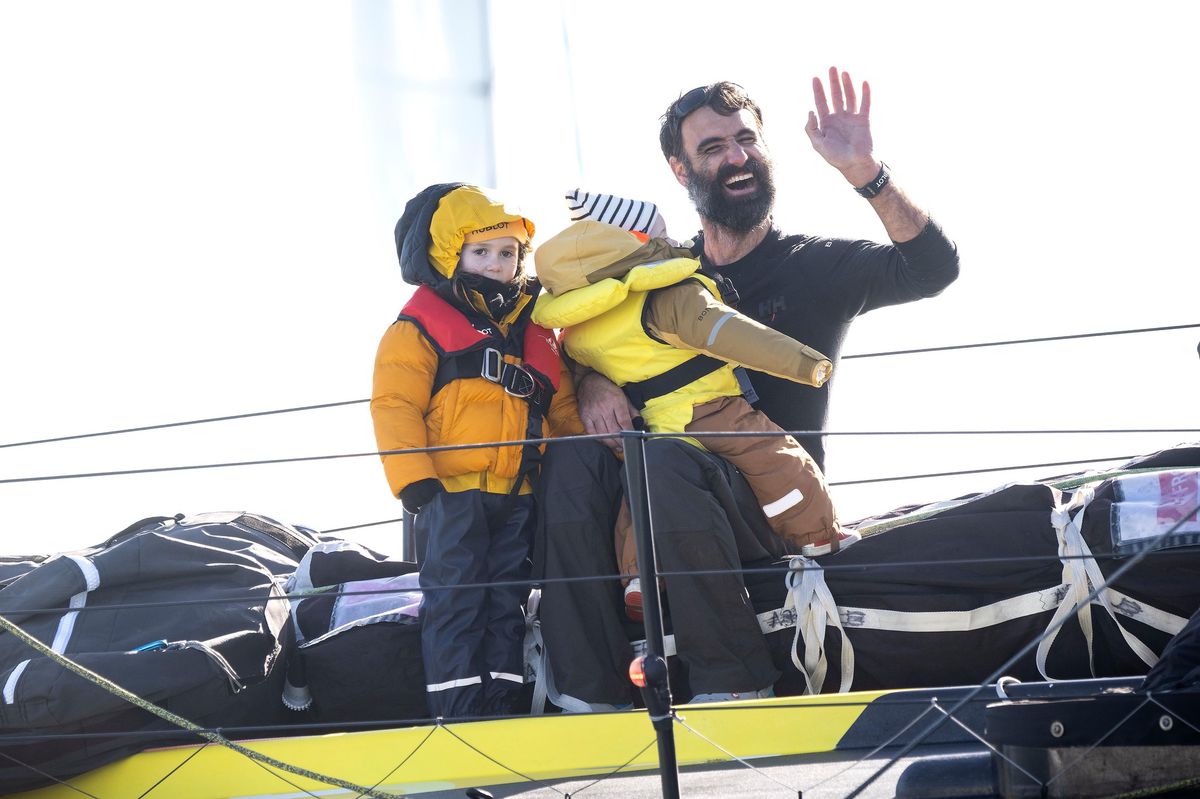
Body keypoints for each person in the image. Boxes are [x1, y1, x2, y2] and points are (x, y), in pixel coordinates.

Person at [536, 70, 960, 707]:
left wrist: (865, 172)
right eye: (712, 147)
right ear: (680, 171)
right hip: (656, 505)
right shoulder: (657, 275)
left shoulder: (814, 265)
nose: (736, 157)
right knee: (571, 463)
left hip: (768, 505)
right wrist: (593, 380)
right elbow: (585, 337)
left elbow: (932, 268)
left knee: (669, 461)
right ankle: (583, 692)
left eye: (746, 140)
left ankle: (734, 686)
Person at [532, 212, 854, 622]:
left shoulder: (578, 332)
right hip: (711, 410)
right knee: (779, 456)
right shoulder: (667, 298)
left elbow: (581, 370)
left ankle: (640, 579)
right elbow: (731, 333)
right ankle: (818, 535)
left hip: (652, 429)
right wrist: (806, 364)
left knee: (642, 499)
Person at [371, 183, 583, 719]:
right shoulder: (417, 326)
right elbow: (394, 404)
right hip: (450, 495)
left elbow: (561, 411)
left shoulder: (535, 329)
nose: (496, 264)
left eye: (508, 253)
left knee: (506, 604)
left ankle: (504, 708)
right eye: (481, 252)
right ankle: (457, 716)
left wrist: (598, 456)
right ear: (451, 254)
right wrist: (412, 479)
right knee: (456, 603)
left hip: (518, 495)